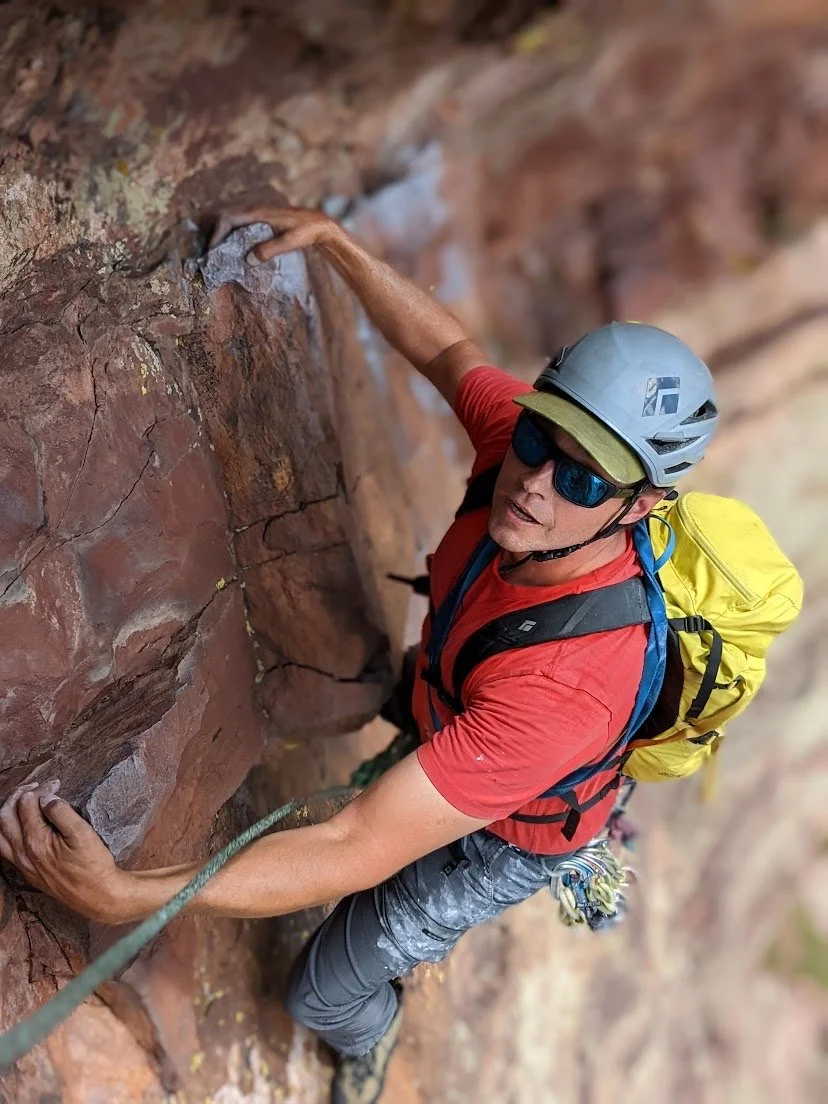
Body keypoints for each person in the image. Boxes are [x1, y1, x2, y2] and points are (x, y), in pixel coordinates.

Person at [0, 207, 718, 1103]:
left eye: (582, 481)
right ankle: (447, 761)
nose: (534, 484)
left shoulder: (567, 689)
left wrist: (129, 898)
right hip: (462, 706)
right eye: (539, 441)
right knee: (420, 747)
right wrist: (341, 246)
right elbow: (450, 352)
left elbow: (354, 844)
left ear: (639, 509)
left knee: (321, 989)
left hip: (512, 831)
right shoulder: (524, 458)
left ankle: (369, 1043)